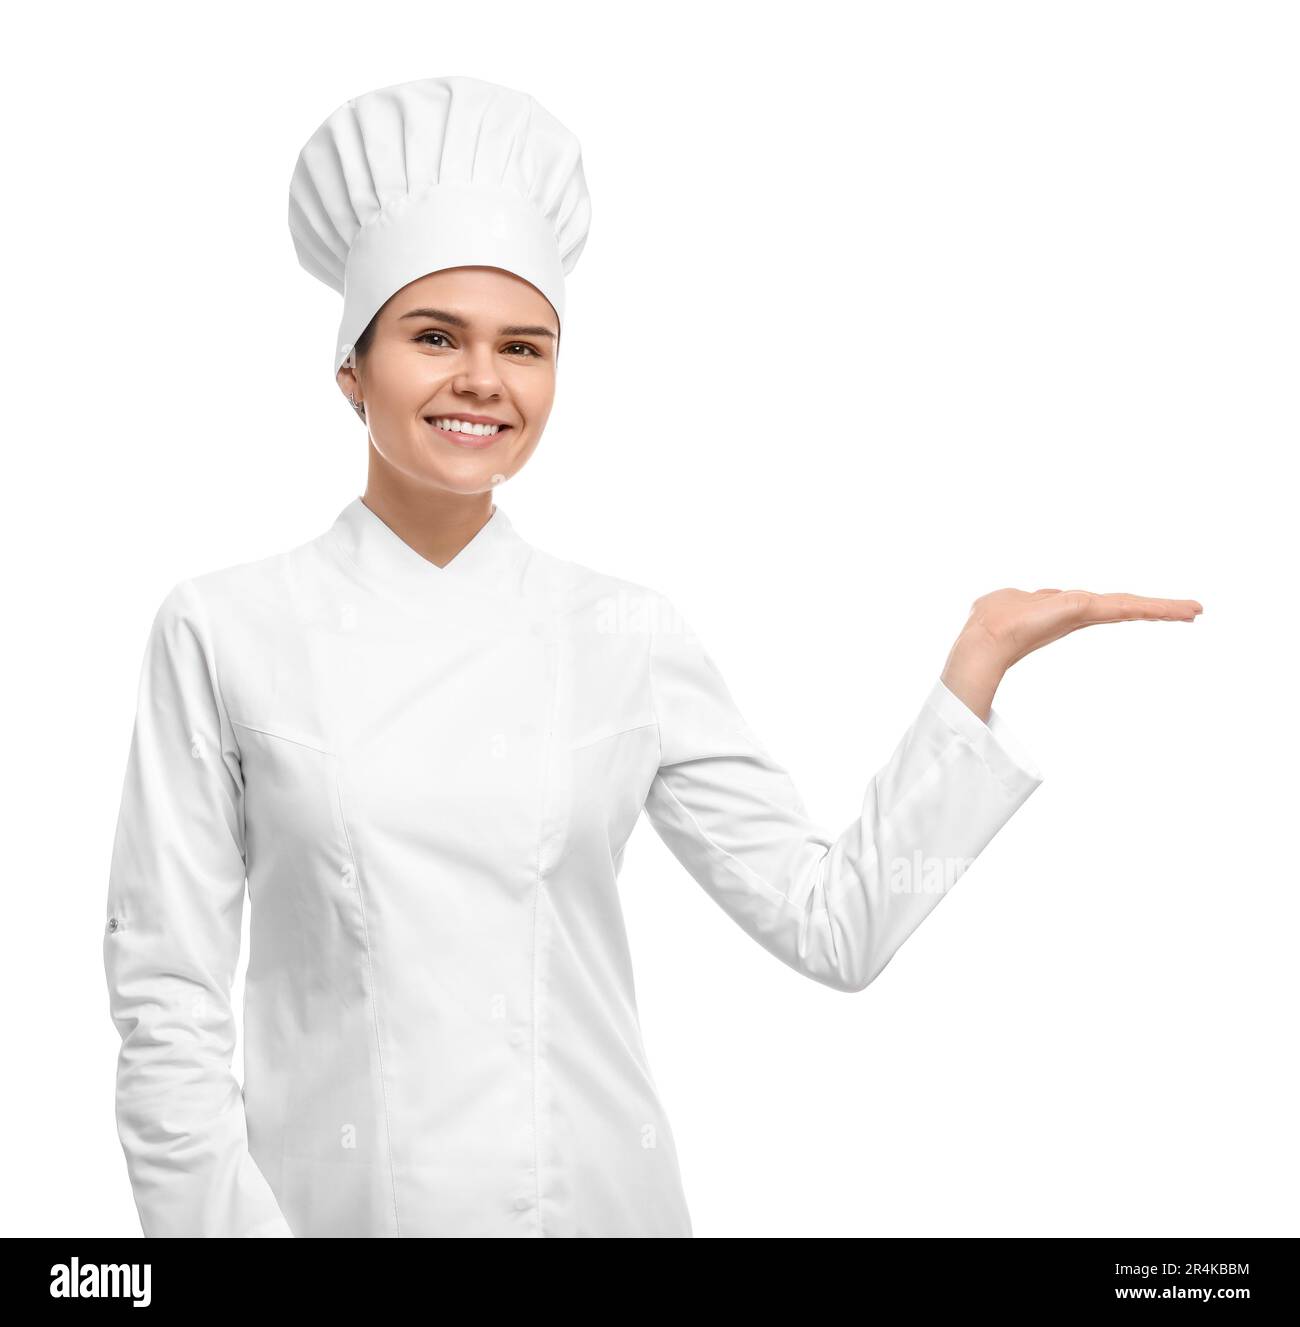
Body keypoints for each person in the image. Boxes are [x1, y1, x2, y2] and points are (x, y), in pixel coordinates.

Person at [102, 74, 1202, 1239]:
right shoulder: (225, 627)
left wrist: (975, 663)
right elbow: (166, 995)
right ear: (350, 372)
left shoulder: (621, 631)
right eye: (436, 338)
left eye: (522, 347)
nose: (483, 379)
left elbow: (832, 925)